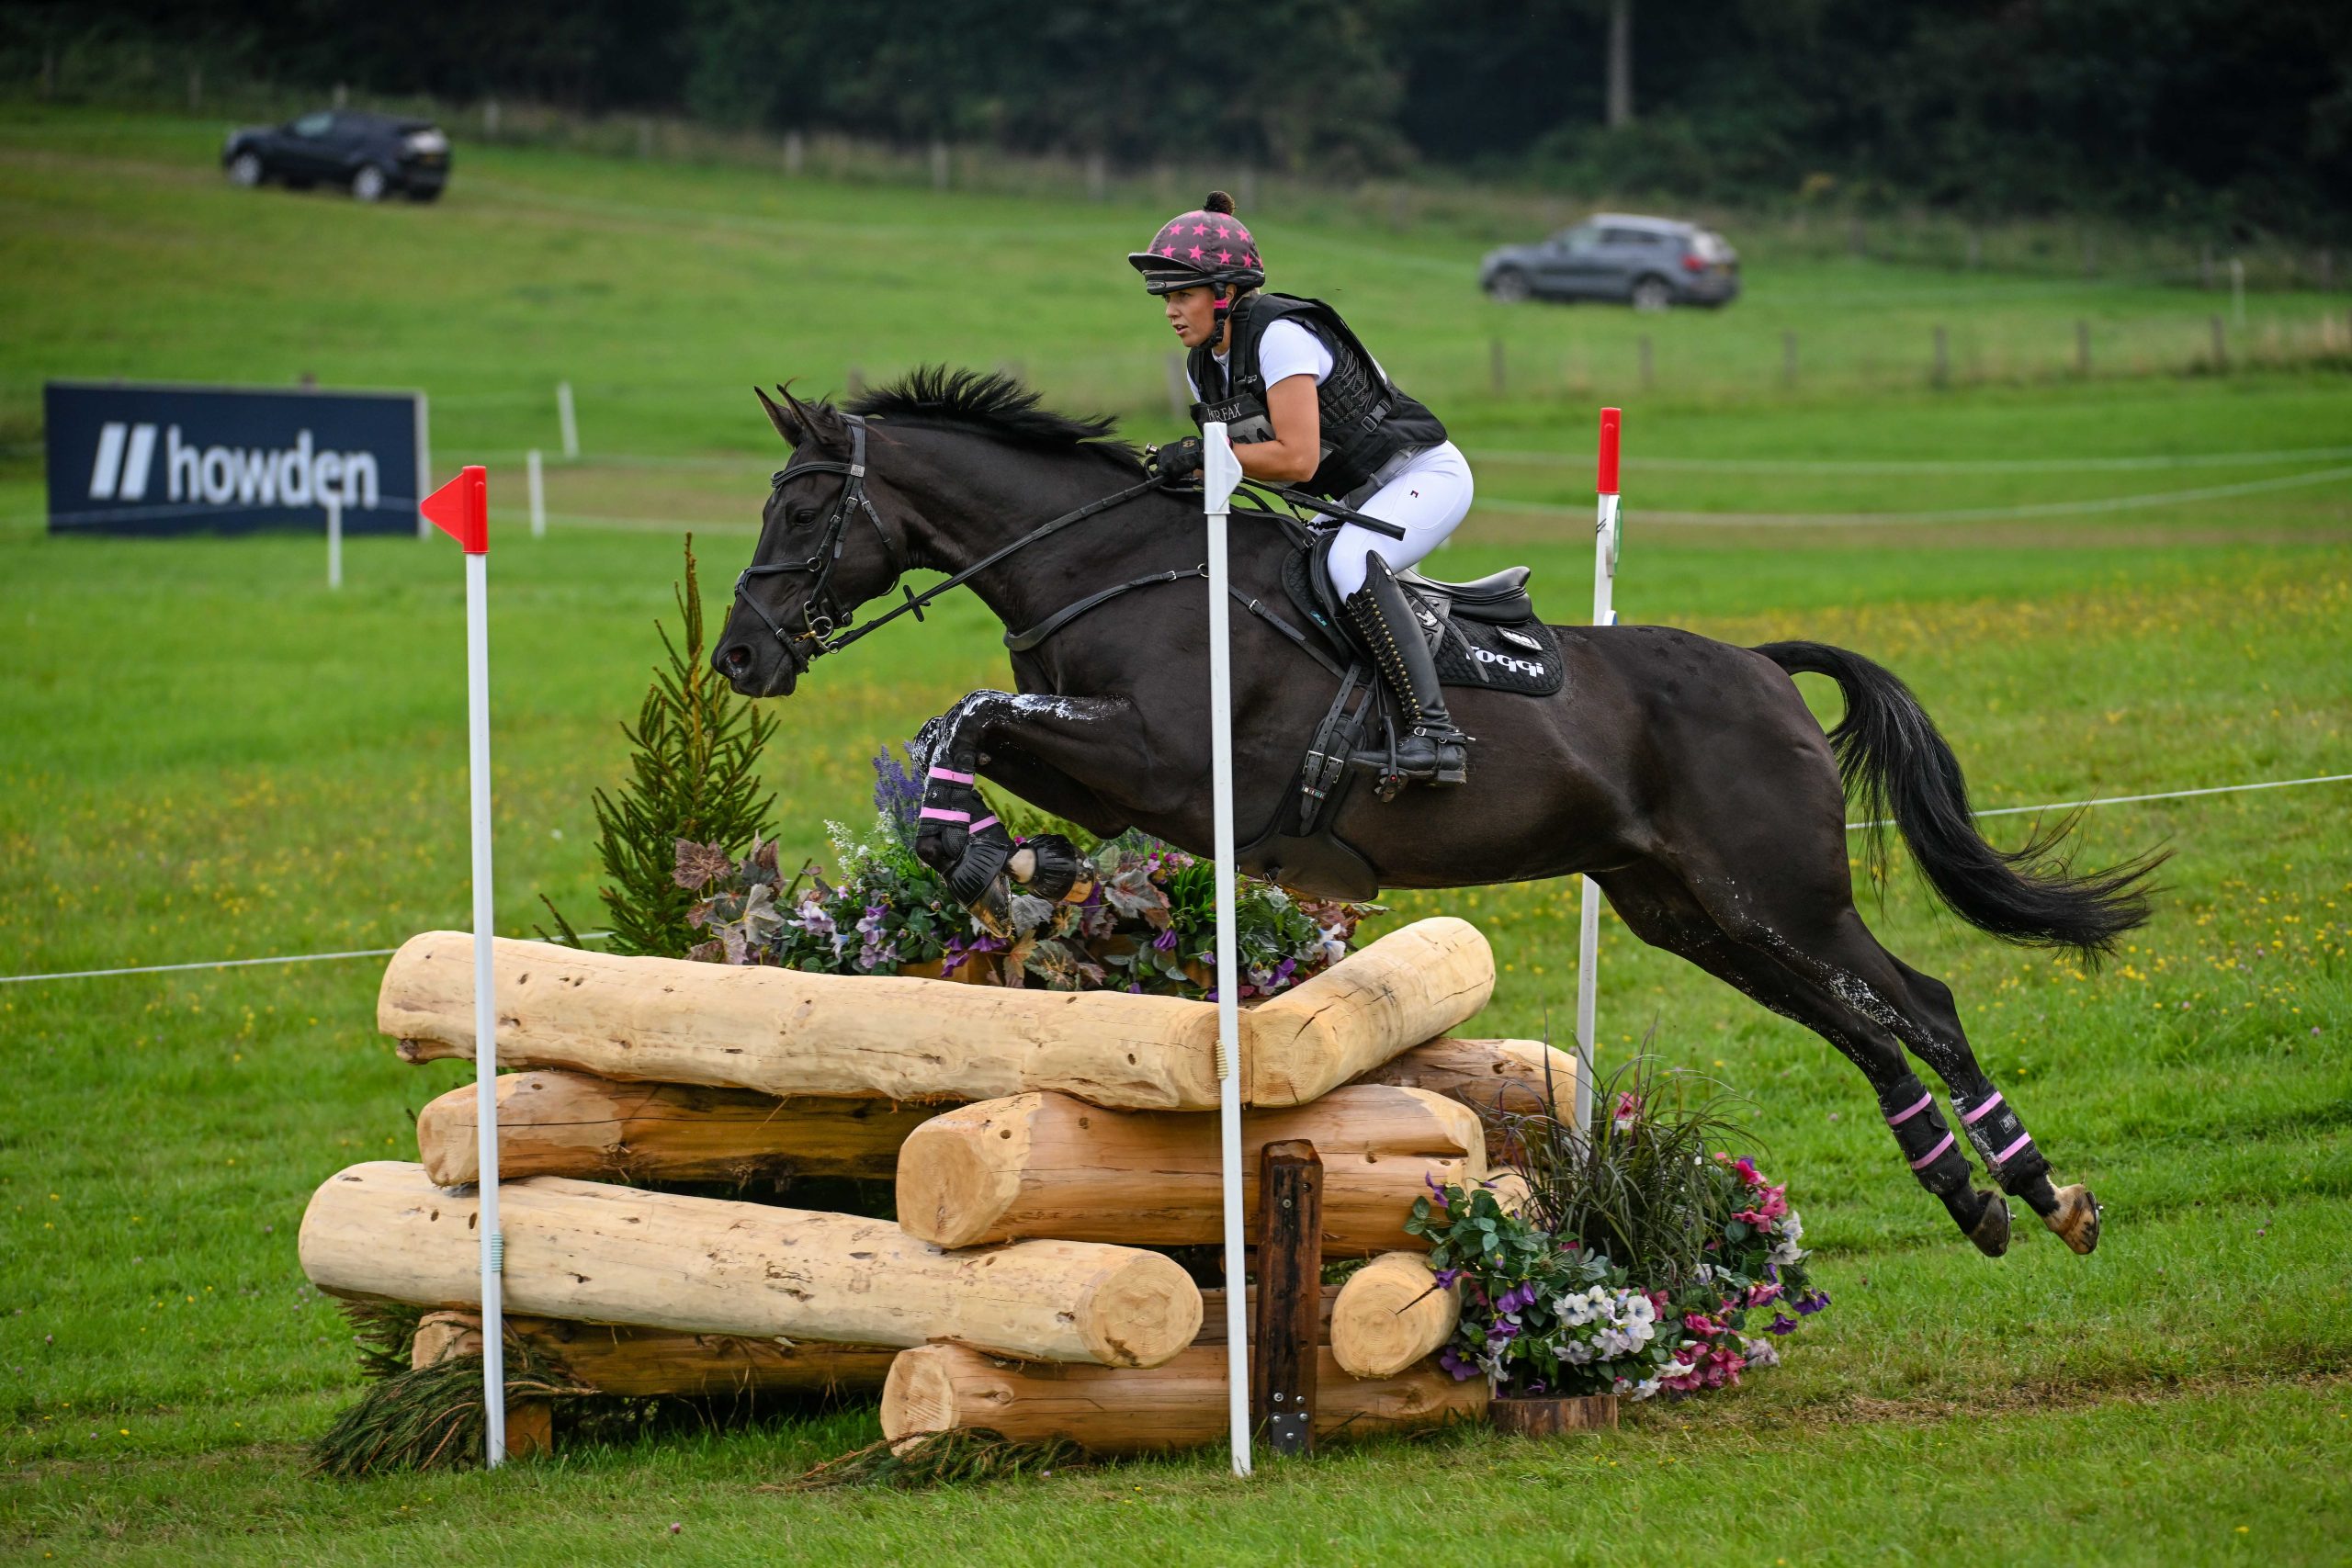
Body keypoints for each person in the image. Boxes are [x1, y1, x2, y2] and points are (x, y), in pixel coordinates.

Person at [1130, 191, 1476, 787]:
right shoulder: (1202, 366)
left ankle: (1438, 734)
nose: (1170, 309)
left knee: (1348, 563)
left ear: (1223, 293)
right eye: (1166, 297)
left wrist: (1208, 459)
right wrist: (1182, 468)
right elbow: (1242, 463)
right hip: (1349, 499)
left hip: (1420, 476)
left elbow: (1295, 455)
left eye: (1182, 294)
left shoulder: (1279, 335)